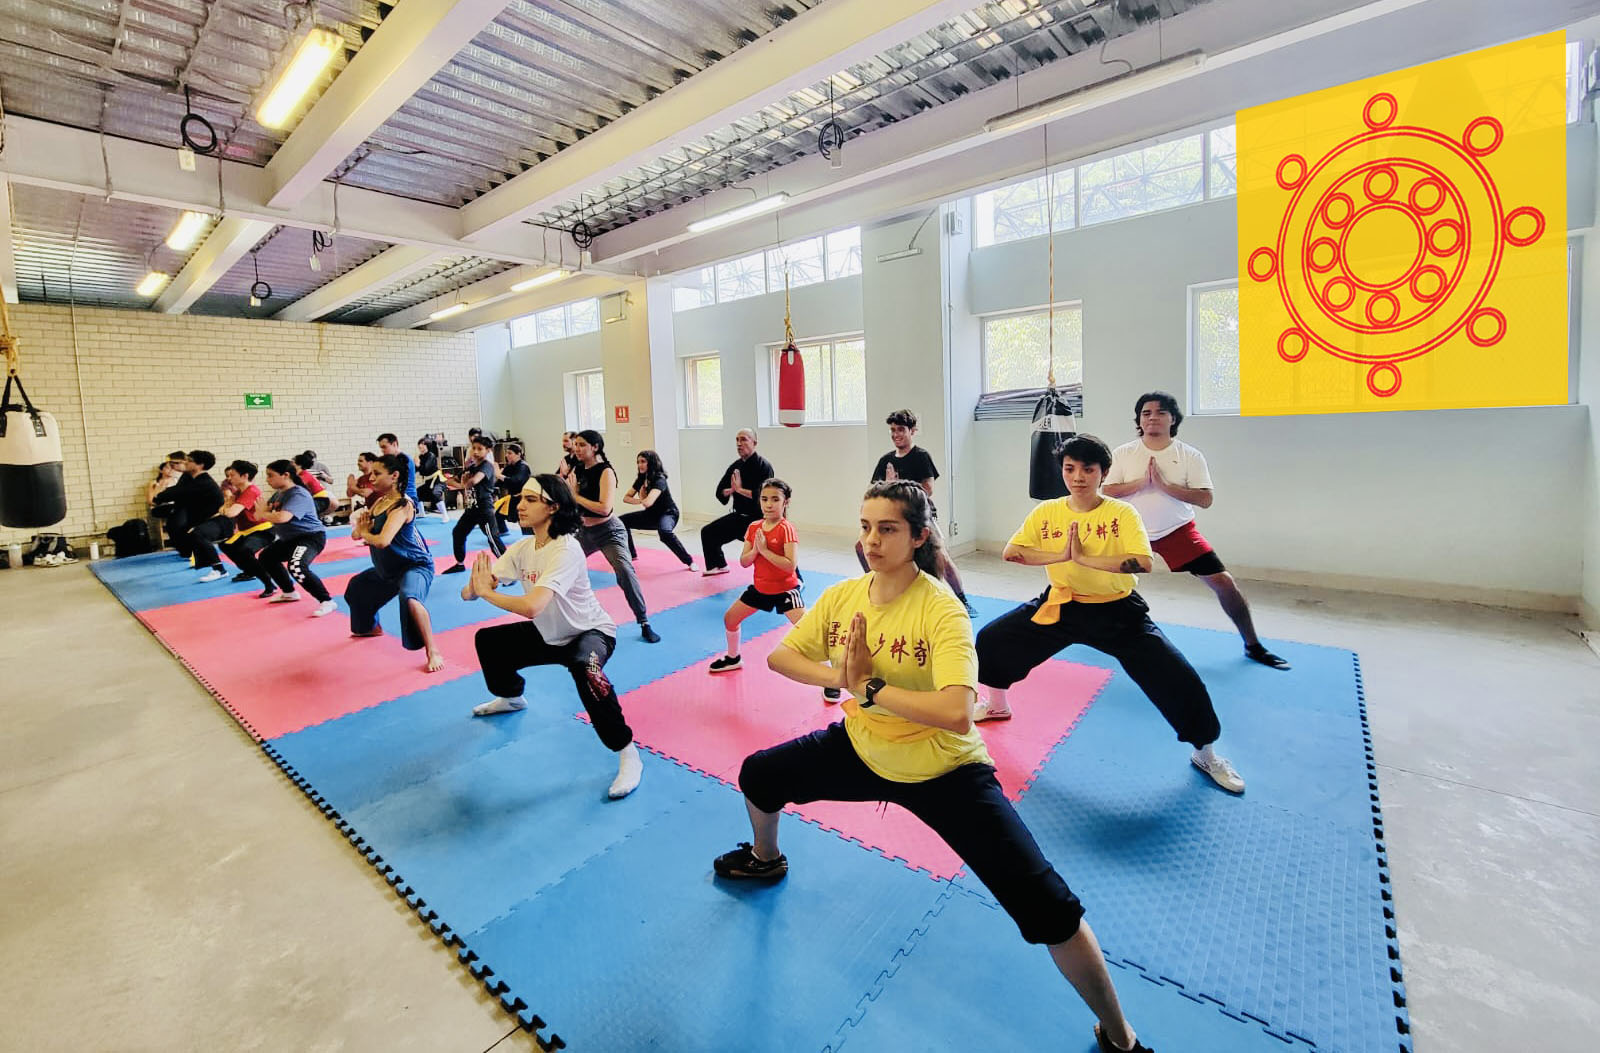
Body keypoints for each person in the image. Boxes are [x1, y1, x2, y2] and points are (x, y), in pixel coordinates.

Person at [711, 480, 1153, 1053]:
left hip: (946, 771)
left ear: (919, 536)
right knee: (758, 775)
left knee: (1052, 909)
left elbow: (957, 713)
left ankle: (1120, 1037)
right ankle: (765, 859)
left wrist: (869, 686)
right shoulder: (846, 597)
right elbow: (780, 655)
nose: (872, 540)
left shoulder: (942, 608)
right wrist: (840, 678)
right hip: (864, 747)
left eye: (888, 528)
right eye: (866, 526)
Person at [974, 434, 1244, 795]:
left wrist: (1085, 559)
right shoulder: (1047, 512)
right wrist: (1062, 557)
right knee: (992, 640)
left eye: (1088, 469)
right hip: (1061, 604)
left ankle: (1206, 752)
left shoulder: (1121, 513)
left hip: (1118, 613)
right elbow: (1013, 552)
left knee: (1177, 677)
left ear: (1103, 473)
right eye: (1070, 468)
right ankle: (996, 705)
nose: (1078, 476)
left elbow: (1143, 563)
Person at [461, 473, 644, 800]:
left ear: (553, 507)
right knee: (488, 641)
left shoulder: (566, 549)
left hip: (589, 633)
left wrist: (486, 594)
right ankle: (512, 696)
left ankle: (627, 751)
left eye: (530, 500)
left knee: (589, 673)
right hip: (549, 633)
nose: (520, 505)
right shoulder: (523, 548)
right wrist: (475, 586)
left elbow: (532, 606)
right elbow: (472, 591)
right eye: (521, 498)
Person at [1103, 392, 1289, 670]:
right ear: (1139, 420)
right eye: (1146, 413)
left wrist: (1165, 486)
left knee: (1224, 583)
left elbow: (1205, 499)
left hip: (1177, 530)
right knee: (1090, 576)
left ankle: (1253, 645)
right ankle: (1089, 633)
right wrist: (1141, 483)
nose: (1152, 417)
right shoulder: (1123, 453)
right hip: (1131, 530)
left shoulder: (1189, 455)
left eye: (1160, 412)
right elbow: (1107, 491)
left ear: (1173, 419)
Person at [706, 478, 840, 700]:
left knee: (808, 631)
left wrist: (765, 551)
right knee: (730, 619)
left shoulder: (786, 529)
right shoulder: (754, 527)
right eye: (765, 499)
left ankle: (829, 676)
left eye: (775, 499)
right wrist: (757, 550)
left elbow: (790, 565)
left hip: (785, 590)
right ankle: (733, 658)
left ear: (785, 502)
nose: (769, 504)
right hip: (760, 589)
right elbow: (744, 561)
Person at [861, 409, 974, 614]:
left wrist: (897, 486)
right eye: (893, 430)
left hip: (921, 514)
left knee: (941, 557)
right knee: (862, 548)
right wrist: (888, 487)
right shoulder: (886, 459)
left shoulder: (921, 456)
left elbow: (928, 489)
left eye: (901, 430)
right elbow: (876, 490)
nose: (896, 434)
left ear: (912, 430)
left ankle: (961, 598)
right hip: (893, 517)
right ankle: (879, 586)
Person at [346, 454, 444, 673]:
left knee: (410, 599)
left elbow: (382, 541)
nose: (370, 477)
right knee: (356, 588)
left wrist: (364, 533)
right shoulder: (380, 502)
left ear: (394, 476)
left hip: (414, 566)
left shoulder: (402, 506)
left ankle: (433, 650)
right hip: (388, 569)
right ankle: (370, 628)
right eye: (371, 473)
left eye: (377, 473)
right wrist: (362, 530)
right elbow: (356, 534)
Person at [570, 430, 660, 644]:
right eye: (576, 445)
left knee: (625, 571)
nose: (577, 449)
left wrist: (574, 495)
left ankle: (644, 621)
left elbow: (604, 508)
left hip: (609, 531)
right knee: (561, 565)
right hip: (584, 532)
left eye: (582, 445)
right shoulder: (577, 470)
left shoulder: (605, 471)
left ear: (595, 447)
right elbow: (575, 504)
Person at [254, 459, 337, 615]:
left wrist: (263, 514)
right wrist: (263, 512)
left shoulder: (298, 494)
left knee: (296, 566)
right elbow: (266, 512)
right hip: (290, 539)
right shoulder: (279, 494)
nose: (267, 479)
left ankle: (327, 601)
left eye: (270, 475)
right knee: (266, 557)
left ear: (285, 475)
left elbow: (283, 517)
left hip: (311, 537)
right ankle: (289, 592)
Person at [701, 429, 773, 576]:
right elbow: (720, 490)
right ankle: (718, 565)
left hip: (758, 519)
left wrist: (739, 490)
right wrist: (729, 491)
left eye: (744, 439)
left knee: (773, 547)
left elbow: (764, 496)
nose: (739, 444)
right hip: (738, 517)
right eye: (737, 440)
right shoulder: (735, 466)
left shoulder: (764, 466)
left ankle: (796, 577)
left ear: (754, 443)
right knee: (708, 532)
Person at [192, 460, 271, 583]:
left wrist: (228, 507)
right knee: (226, 545)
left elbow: (231, 513)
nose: (229, 479)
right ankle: (249, 571)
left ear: (245, 476)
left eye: (232, 475)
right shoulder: (239, 492)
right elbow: (222, 509)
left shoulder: (251, 491)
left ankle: (261, 574)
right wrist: (227, 506)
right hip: (247, 530)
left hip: (262, 530)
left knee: (244, 550)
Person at [619, 449, 694, 569]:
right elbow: (626, 498)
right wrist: (641, 499)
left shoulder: (660, 479)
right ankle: (632, 554)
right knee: (620, 522)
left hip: (668, 514)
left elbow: (648, 502)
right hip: (651, 514)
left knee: (664, 533)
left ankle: (689, 561)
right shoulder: (641, 479)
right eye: (638, 462)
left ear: (651, 462)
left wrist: (643, 497)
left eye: (643, 461)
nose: (639, 465)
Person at [443, 435, 507, 573]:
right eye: (474, 448)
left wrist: (465, 483)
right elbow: (449, 481)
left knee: (492, 538)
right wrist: (462, 483)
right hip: (471, 509)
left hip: (484, 509)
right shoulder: (471, 467)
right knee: (458, 533)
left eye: (480, 449)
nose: (476, 451)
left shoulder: (487, 466)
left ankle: (508, 569)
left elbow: (475, 481)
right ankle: (460, 563)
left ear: (488, 450)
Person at [150, 450, 224, 560]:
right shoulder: (188, 476)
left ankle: (188, 550)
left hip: (207, 515)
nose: (185, 463)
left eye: (189, 461)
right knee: (170, 518)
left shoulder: (203, 482)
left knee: (176, 523)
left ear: (200, 465)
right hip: (191, 508)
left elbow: (178, 491)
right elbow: (177, 491)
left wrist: (158, 498)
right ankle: (186, 550)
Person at [146, 452, 186, 549]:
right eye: (167, 468)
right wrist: (160, 488)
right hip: (159, 507)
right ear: (161, 470)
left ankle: (182, 540)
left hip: (174, 506)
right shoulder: (154, 483)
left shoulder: (176, 480)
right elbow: (150, 500)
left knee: (180, 512)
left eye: (171, 468)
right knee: (176, 512)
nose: (170, 470)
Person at [500, 442, 532, 536]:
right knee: (496, 512)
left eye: (510, 453)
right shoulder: (509, 467)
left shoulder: (523, 466)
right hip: (511, 498)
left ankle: (530, 537)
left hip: (522, 498)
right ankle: (503, 531)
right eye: (506, 453)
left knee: (523, 520)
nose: (507, 455)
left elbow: (516, 481)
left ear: (518, 454)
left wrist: (500, 476)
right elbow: (499, 483)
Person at [376, 432, 419, 504]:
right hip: (398, 496)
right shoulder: (393, 460)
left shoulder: (405, 460)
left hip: (407, 497)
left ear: (394, 444)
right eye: (381, 448)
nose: (382, 450)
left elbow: (398, 482)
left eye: (384, 447)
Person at [292, 453, 334, 518]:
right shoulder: (301, 475)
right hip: (318, 498)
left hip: (321, 499)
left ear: (299, 465)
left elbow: (295, 487)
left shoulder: (304, 475)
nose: (291, 464)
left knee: (308, 515)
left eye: (293, 462)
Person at [416, 437, 449, 520]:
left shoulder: (431, 455)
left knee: (436, 493)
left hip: (438, 481)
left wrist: (418, 465)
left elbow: (426, 469)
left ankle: (445, 515)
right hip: (429, 482)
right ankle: (421, 513)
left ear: (427, 445)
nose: (420, 445)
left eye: (423, 444)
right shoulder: (420, 457)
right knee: (417, 492)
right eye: (420, 444)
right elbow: (418, 470)